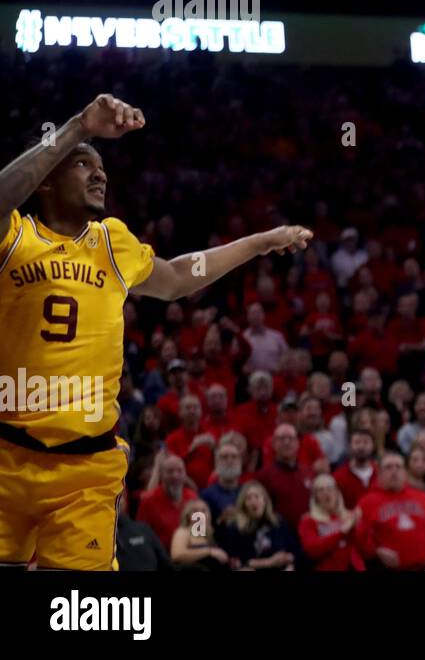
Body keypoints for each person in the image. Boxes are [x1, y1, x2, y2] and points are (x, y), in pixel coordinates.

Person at [0, 93, 311, 569]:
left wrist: (260, 242)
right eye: (84, 164)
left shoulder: (112, 241)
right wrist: (79, 128)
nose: (100, 174)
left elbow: (181, 277)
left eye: (101, 166)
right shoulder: (13, 234)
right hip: (7, 456)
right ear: (44, 180)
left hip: (87, 469)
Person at [355, 451, 425, 570]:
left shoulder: (421, 496)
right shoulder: (366, 503)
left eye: (398, 467)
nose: (394, 471)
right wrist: (376, 551)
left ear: (405, 472)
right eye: (388, 467)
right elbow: (358, 538)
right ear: (379, 473)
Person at [217, 481, 298, 570]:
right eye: (248, 498)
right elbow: (236, 562)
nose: (253, 501)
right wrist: (270, 562)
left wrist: (291, 564)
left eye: (257, 496)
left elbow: (295, 551)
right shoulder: (235, 528)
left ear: (265, 500)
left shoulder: (279, 522)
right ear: (243, 504)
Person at [299, 474, 363, 571]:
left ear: (337, 492)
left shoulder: (349, 516)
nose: (326, 493)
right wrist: (341, 532)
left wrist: (358, 525)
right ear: (315, 496)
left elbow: (364, 546)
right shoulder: (308, 521)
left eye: (330, 488)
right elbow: (312, 550)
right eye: (321, 490)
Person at [170, 498, 231, 571]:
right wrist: (209, 551)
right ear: (188, 515)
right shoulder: (183, 532)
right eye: (195, 511)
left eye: (204, 511)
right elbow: (177, 555)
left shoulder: (210, 534)